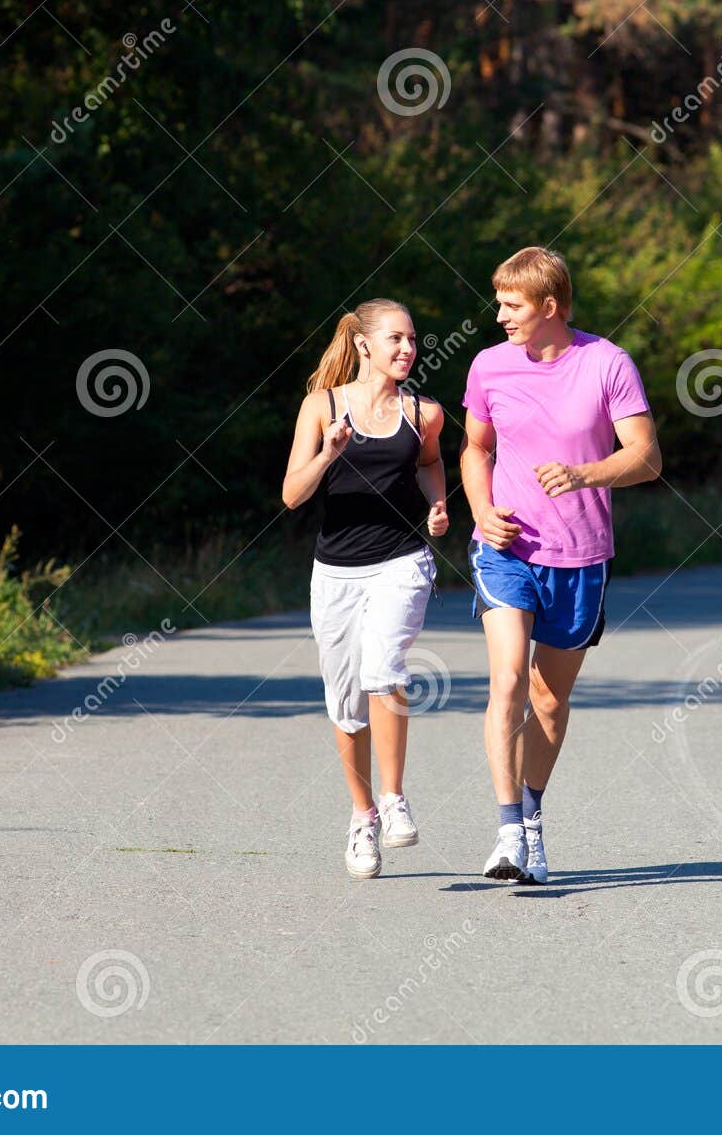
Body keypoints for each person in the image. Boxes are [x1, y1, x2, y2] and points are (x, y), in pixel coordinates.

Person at [460, 247, 661, 883]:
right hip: (505, 548)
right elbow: (474, 448)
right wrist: (481, 507)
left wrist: (583, 474)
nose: (499, 316)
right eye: (498, 302)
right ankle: (508, 830)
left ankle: (534, 816)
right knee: (508, 683)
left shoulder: (607, 363)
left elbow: (647, 458)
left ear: (550, 307)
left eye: (511, 305)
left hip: (580, 556)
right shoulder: (489, 367)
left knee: (549, 702)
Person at [282, 298, 449, 879]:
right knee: (346, 702)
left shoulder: (423, 412)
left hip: (402, 560)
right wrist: (328, 452)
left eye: (413, 339)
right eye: (397, 339)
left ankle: (396, 797)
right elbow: (292, 495)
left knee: (385, 671)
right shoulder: (320, 407)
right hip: (335, 572)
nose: (408, 349)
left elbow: (430, 463)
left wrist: (438, 503)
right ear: (364, 344)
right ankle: (363, 816)